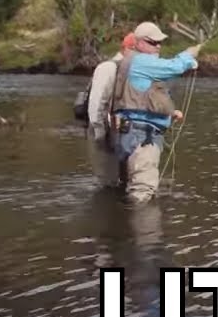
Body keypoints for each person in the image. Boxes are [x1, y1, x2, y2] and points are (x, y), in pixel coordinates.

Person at [109, 22, 200, 204]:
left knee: (128, 187)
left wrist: (169, 113)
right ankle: (142, 222)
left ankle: (120, 220)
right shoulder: (142, 61)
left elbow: (140, 96)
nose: (158, 46)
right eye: (153, 42)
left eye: (160, 42)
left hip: (129, 133)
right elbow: (175, 67)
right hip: (142, 137)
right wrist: (189, 54)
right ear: (138, 42)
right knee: (143, 193)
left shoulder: (129, 61)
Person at [85, 32, 137, 189]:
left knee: (123, 182)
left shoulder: (131, 69)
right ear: (127, 49)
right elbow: (96, 104)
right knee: (108, 183)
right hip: (105, 131)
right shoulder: (108, 68)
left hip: (122, 132)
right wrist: (100, 134)